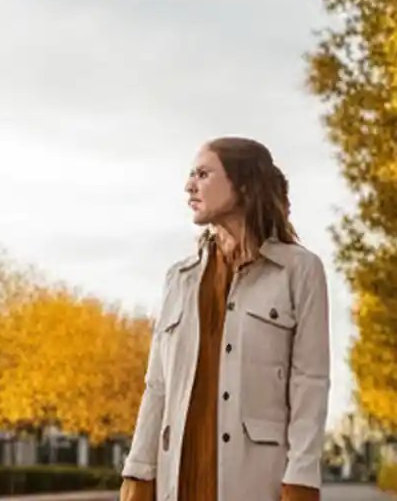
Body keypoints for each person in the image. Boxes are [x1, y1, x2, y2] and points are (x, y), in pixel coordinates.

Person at [120, 137, 331, 501]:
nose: (189, 185)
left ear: (245, 185)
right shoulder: (178, 278)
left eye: (203, 174)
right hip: (180, 480)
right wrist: (138, 471)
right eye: (190, 175)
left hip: (256, 483)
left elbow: (310, 383)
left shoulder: (300, 271)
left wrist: (301, 476)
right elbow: (157, 387)